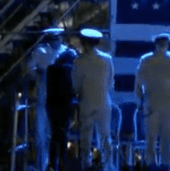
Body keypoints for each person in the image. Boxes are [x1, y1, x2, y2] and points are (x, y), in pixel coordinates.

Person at [135, 32, 170, 169]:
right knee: (167, 139)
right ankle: (165, 166)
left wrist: (141, 100)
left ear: (155, 43)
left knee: (150, 138)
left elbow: (138, 84)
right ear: (168, 44)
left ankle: (151, 166)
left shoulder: (145, 60)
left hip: (150, 102)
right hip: (169, 103)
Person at [72, 28, 115, 170]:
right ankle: (108, 165)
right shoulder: (107, 59)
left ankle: (87, 165)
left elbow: (76, 86)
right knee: (105, 136)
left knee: (86, 138)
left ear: (84, 43)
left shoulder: (79, 62)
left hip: (86, 102)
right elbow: (110, 82)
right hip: (104, 101)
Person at [26, 27, 67, 171]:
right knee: (41, 135)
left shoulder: (66, 52)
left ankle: (58, 165)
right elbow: (29, 69)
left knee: (58, 135)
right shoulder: (40, 51)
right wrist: (38, 73)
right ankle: (43, 165)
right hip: (43, 98)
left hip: (60, 100)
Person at [46, 38, 78, 171]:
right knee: (63, 134)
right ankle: (62, 161)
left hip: (52, 104)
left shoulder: (51, 69)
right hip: (65, 103)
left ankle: (52, 163)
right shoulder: (69, 67)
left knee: (54, 134)